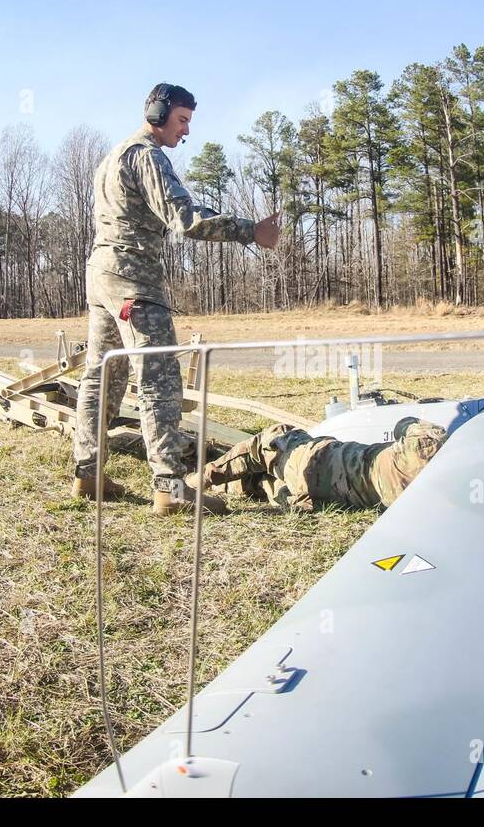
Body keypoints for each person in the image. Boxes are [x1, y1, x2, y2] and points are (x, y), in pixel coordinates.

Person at [72, 83, 280, 513]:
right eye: (182, 120)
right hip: (134, 281)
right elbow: (184, 219)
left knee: (101, 376)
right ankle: (169, 487)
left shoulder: (111, 157)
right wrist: (250, 232)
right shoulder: (148, 156)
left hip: (101, 276)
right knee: (159, 379)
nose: (185, 132)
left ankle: (88, 475)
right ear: (157, 111)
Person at [193, 417, 448, 511]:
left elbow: (403, 424)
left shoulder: (428, 446)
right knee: (268, 485)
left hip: (319, 460)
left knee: (272, 439)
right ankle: (231, 487)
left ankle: (198, 481)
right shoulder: (424, 501)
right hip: (327, 497)